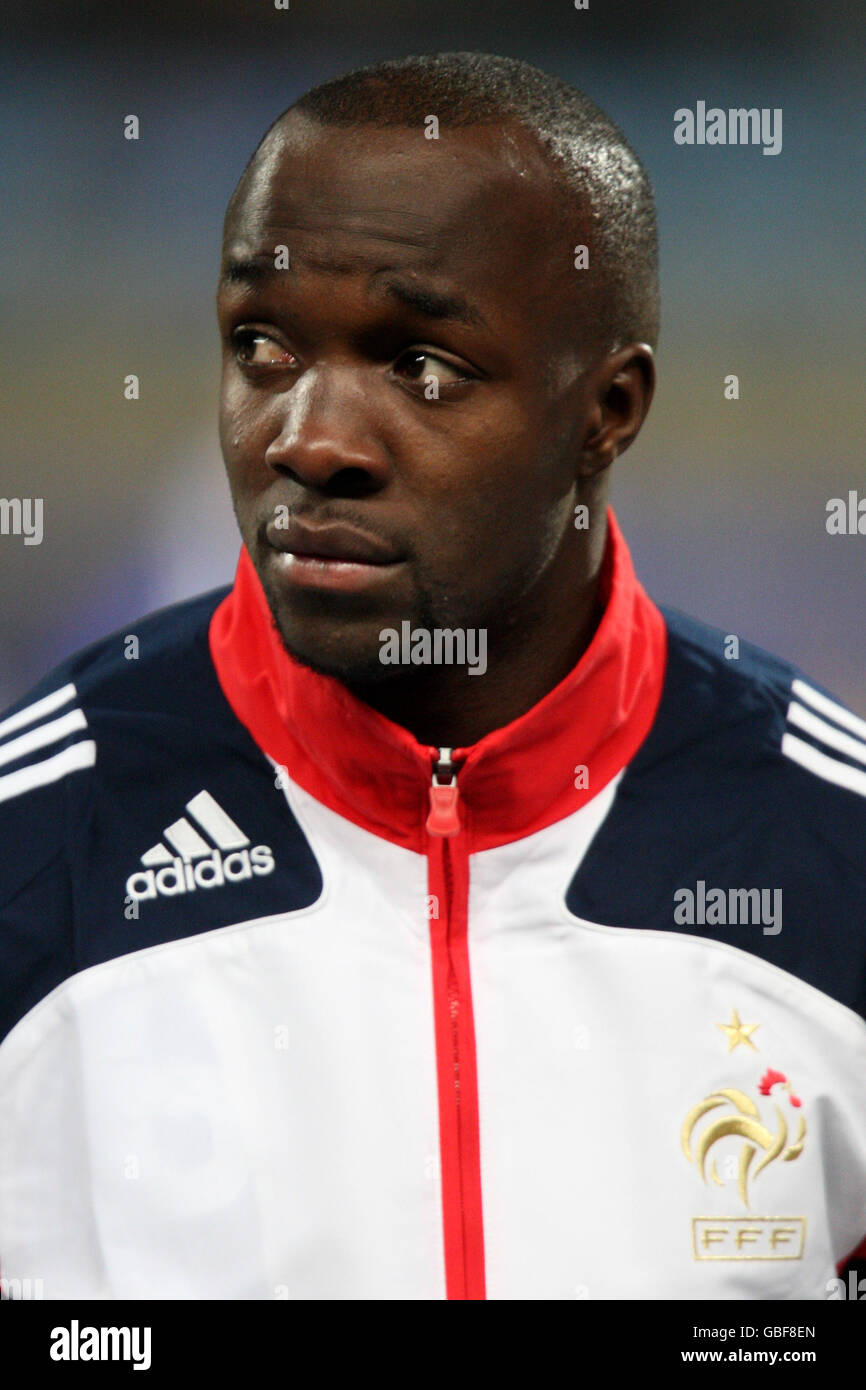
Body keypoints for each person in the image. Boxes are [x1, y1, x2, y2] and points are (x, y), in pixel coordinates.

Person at [0, 52, 863, 1302]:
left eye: (422, 368)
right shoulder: (33, 855)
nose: (309, 438)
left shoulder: (832, 857)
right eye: (262, 345)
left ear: (606, 411)